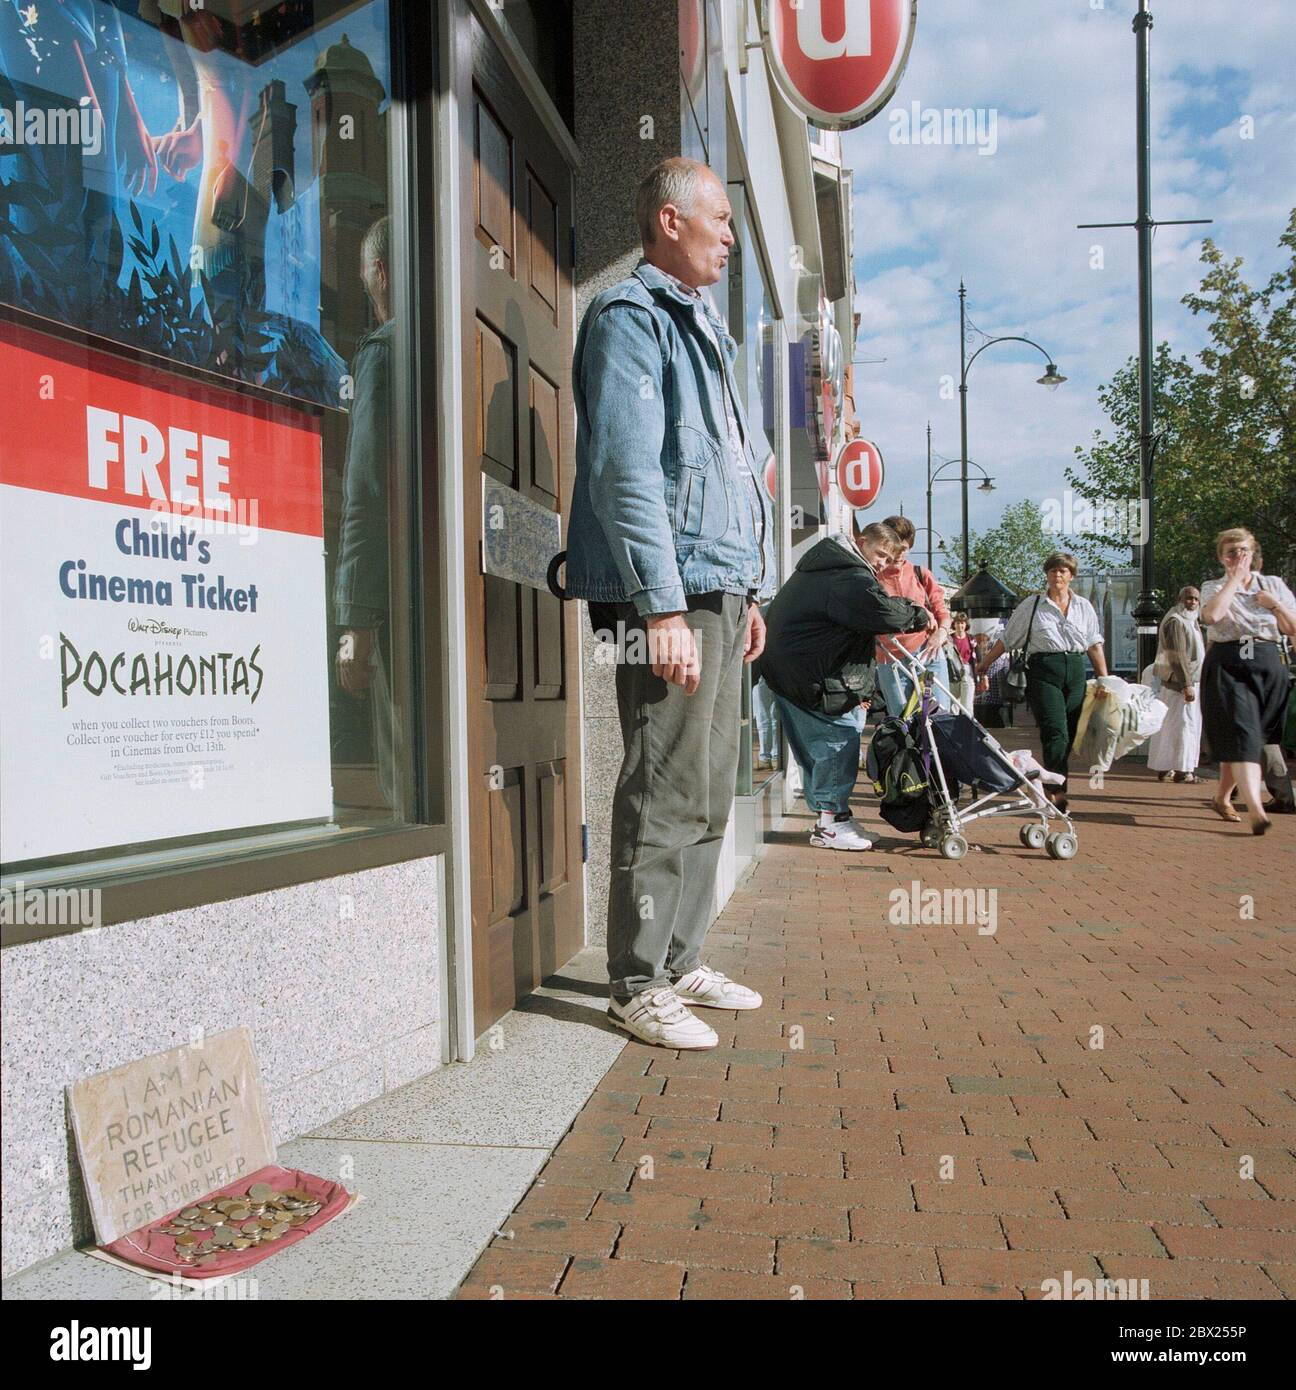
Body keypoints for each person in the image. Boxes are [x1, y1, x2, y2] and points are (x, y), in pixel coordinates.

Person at [563, 157, 775, 1049]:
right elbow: (626, 470)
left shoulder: (706, 334)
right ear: (668, 221)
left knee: (710, 789)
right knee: (664, 784)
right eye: (720, 219)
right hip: (671, 591)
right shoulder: (631, 316)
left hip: (717, 587)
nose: (731, 236)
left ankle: (682, 956)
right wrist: (660, 608)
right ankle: (635, 980)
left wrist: (750, 588)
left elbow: (727, 475)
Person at [756, 520, 930, 850]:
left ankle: (834, 817)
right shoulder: (847, 575)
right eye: (879, 554)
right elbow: (882, 613)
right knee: (838, 741)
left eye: (888, 560)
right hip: (813, 677)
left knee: (820, 751)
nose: (881, 563)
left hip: (793, 672)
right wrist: (917, 613)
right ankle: (831, 823)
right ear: (861, 541)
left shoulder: (828, 567)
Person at [334, 216, 398, 811]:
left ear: (379, 274)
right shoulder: (455, 345)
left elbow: (367, 494)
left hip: (402, 609)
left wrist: (357, 624)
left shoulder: (382, 353)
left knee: (405, 783)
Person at [977, 553, 1107, 813]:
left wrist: (1104, 678)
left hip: (1076, 671)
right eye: (1052, 571)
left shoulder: (1083, 607)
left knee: (1068, 735)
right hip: (1044, 670)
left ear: (1071, 575)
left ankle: (1045, 782)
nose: (1057, 576)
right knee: (1055, 732)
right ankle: (1056, 795)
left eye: (1063, 571)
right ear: (1046, 575)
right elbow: (1008, 637)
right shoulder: (1033, 605)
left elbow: (1093, 644)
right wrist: (985, 663)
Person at [1199, 528, 1296, 834]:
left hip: (1268, 664)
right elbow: (1212, 617)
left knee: (1251, 740)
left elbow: (1292, 627)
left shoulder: (1274, 585)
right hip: (1229, 665)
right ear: (1221, 557)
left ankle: (1222, 797)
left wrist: (1274, 604)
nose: (1238, 556)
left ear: (1254, 554)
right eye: (1231, 552)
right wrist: (1233, 580)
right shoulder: (1213, 586)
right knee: (1243, 734)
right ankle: (1256, 810)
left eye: (1243, 551)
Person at [873, 516, 951, 714]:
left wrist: (940, 634)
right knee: (902, 720)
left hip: (928, 651)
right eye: (895, 548)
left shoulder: (920, 573)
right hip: (891, 658)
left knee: (940, 714)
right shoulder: (873, 578)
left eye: (905, 549)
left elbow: (942, 611)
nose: (899, 555)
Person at [1147, 587, 1204, 784]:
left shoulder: (1188, 620)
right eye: (1189, 598)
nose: (1193, 602)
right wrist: (1186, 684)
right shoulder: (1176, 621)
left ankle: (1167, 767)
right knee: (1184, 726)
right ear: (1179, 599)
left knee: (1172, 726)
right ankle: (1183, 770)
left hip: (1180, 683)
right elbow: (1177, 655)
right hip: (1179, 684)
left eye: (1196, 599)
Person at [948, 612, 976, 712]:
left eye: (962, 623)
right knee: (953, 703)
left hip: (968, 671)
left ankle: (968, 725)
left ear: (966, 624)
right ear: (954, 624)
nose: (960, 625)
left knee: (967, 704)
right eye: (958, 623)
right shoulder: (949, 639)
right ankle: (952, 726)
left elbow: (976, 657)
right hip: (953, 671)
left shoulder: (971, 639)